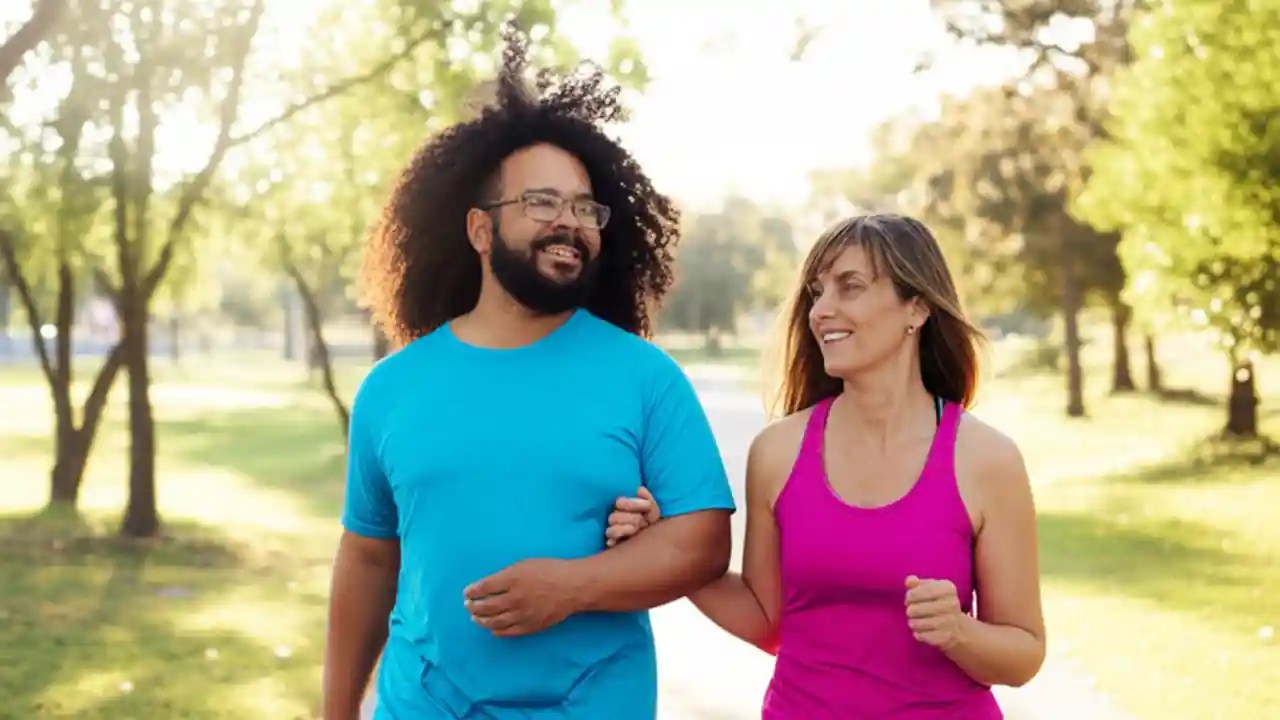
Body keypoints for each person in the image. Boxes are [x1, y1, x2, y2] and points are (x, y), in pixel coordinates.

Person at [324, 29, 735, 720]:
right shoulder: (391, 389)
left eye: (584, 208)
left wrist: (574, 586)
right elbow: (368, 559)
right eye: (542, 202)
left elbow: (703, 544)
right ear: (480, 231)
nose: (568, 223)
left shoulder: (645, 376)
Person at [607, 214, 1046, 718]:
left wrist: (959, 632)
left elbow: (1024, 653)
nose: (821, 311)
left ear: (917, 307)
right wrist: (665, 546)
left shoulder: (986, 459)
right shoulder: (778, 452)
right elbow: (765, 621)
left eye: (850, 287)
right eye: (817, 293)